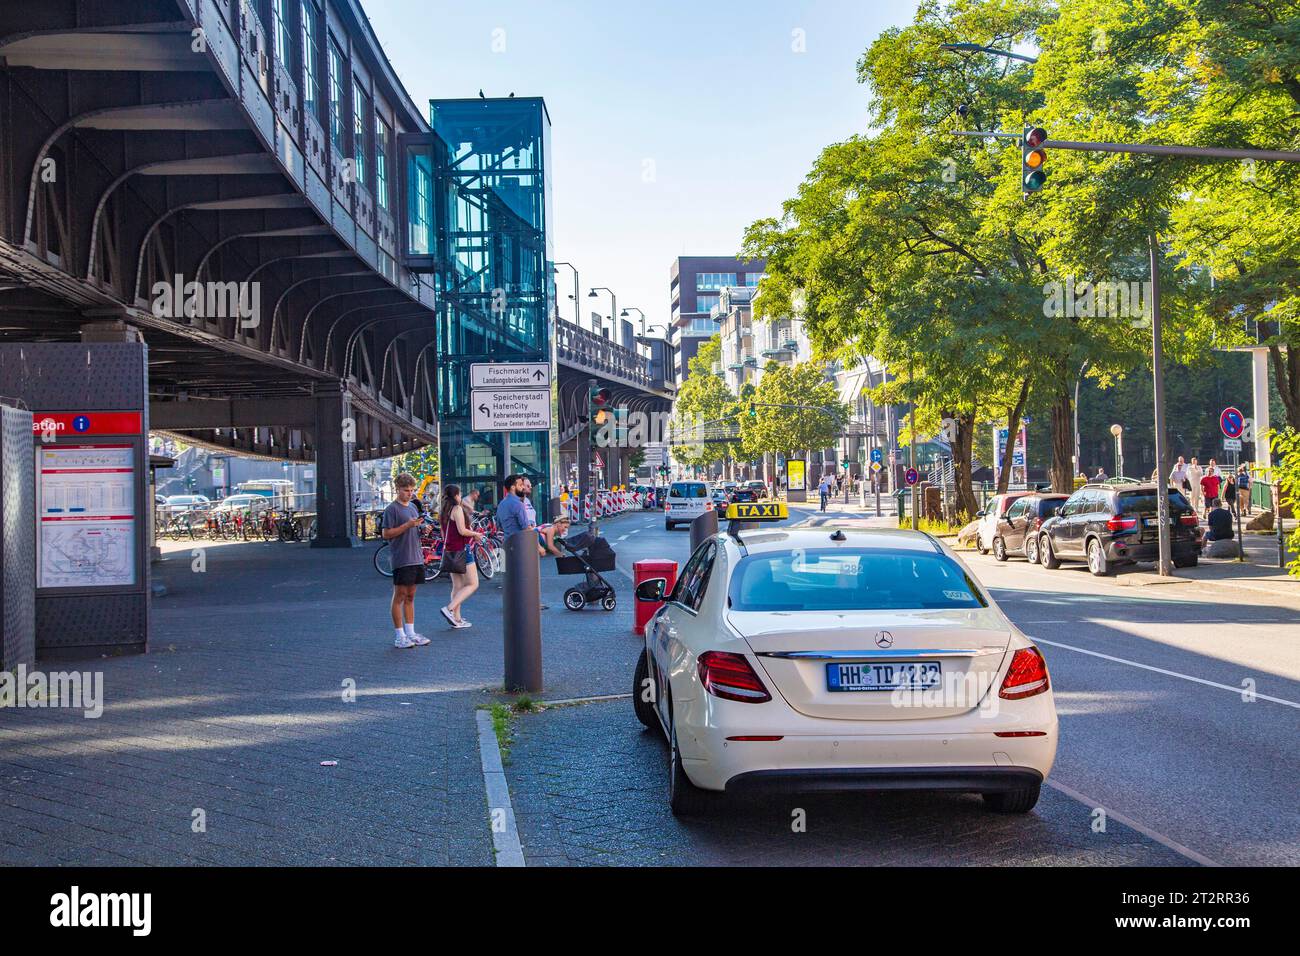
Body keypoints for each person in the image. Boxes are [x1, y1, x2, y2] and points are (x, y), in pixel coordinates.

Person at [380, 473, 431, 649]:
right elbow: (386, 534)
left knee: (411, 596)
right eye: (405, 490)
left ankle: (410, 632)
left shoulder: (412, 508)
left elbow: (414, 530)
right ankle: (399, 635)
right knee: (399, 595)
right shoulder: (392, 509)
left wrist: (423, 529)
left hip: (416, 557)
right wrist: (407, 526)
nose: (409, 494)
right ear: (397, 489)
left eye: (411, 490)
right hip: (401, 558)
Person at [438, 484, 484, 629]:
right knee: (473, 584)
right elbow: (462, 531)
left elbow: (444, 534)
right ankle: (449, 609)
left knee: (457, 585)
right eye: (459, 494)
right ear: (456, 495)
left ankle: (456, 619)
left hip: (450, 551)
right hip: (462, 550)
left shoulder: (443, 511)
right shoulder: (456, 509)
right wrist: (476, 534)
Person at [496, 474, 531, 538]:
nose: (523, 487)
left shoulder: (501, 504)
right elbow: (526, 528)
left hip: (507, 543)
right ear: (512, 487)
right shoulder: (518, 504)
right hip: (521, 543)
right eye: (520, 485)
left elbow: (499, 525)